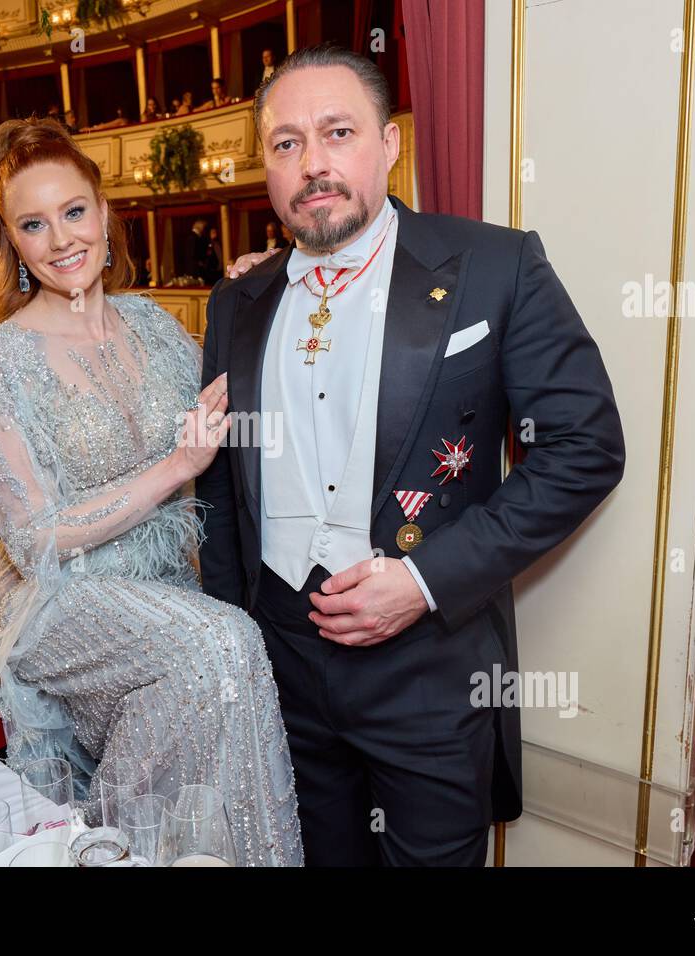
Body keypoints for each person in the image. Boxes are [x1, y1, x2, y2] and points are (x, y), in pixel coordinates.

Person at [204, 44, 626, 865]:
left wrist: (424, 582)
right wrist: (237, 650)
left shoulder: (496, 267)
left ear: (390, 144)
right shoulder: (237, 300)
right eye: (286, 143)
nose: (313, 163)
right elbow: (222, 490)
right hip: (281, 670)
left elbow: (585, 447)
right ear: (265, 164)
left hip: (430, 670)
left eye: (337, 132)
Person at [0, 116, 301, 866]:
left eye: (74, 212)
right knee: (222, 642)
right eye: (34, 225)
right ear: (14, 243)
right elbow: (33, 537)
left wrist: (274, 287)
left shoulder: (158, 326)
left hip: (164, 588)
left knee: (210, 671)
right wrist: (174, 468)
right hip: (62, 597)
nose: (62, 239)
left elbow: (236, 404)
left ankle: (111, 846)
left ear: (104, 215)